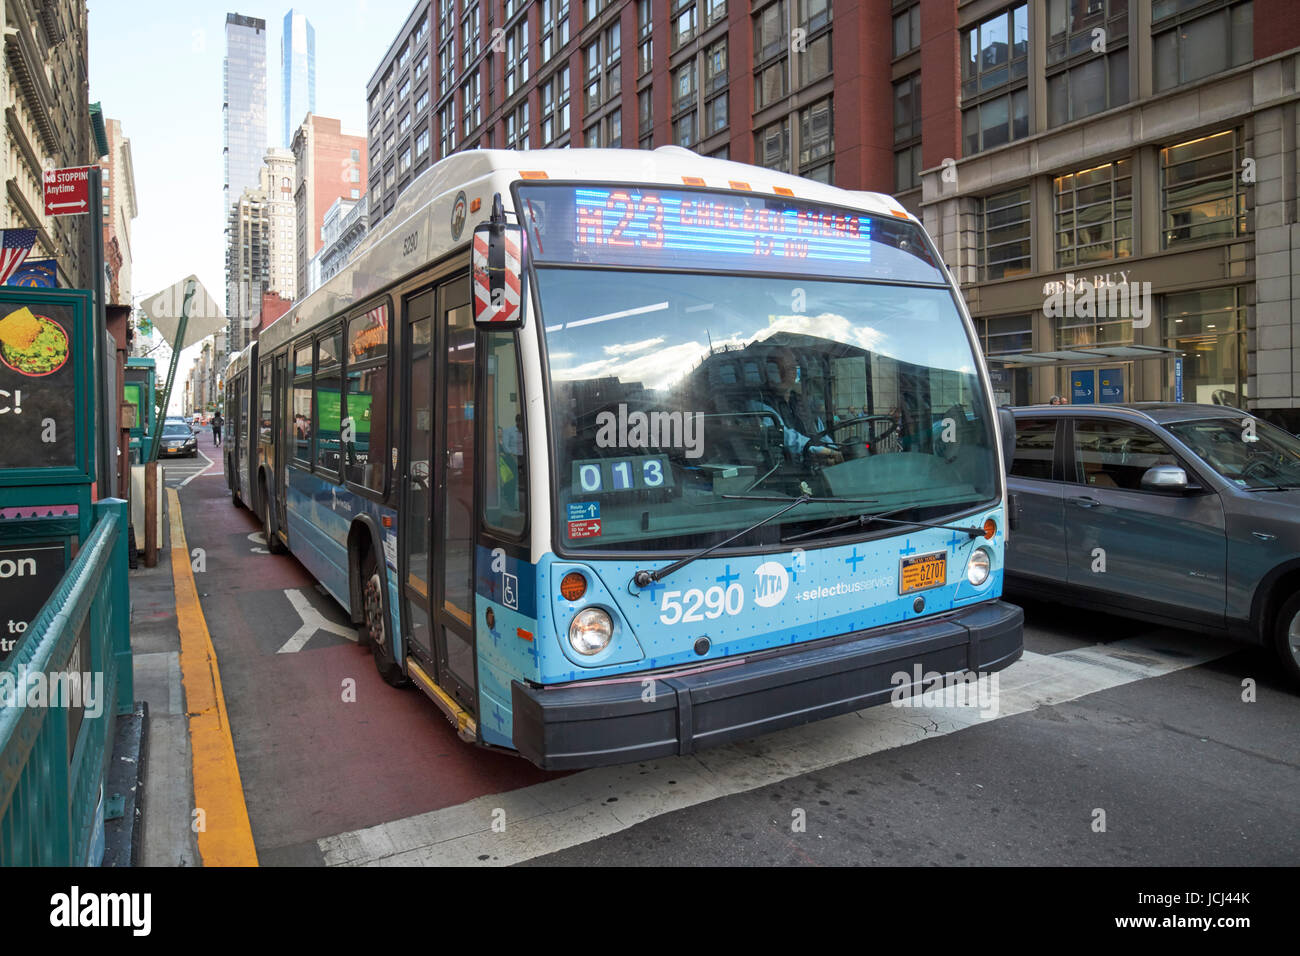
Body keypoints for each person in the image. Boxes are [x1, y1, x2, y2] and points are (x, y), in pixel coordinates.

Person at [748, 348, 842, 464]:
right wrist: (812, 448)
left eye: (792, 368)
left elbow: (820, 431)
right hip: (784, 470)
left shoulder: (801, 401)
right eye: (780, 369)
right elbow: (783, 435)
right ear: (768, 372)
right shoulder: (760, 403)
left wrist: (834, 450)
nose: (789, 373)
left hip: (814, 467)